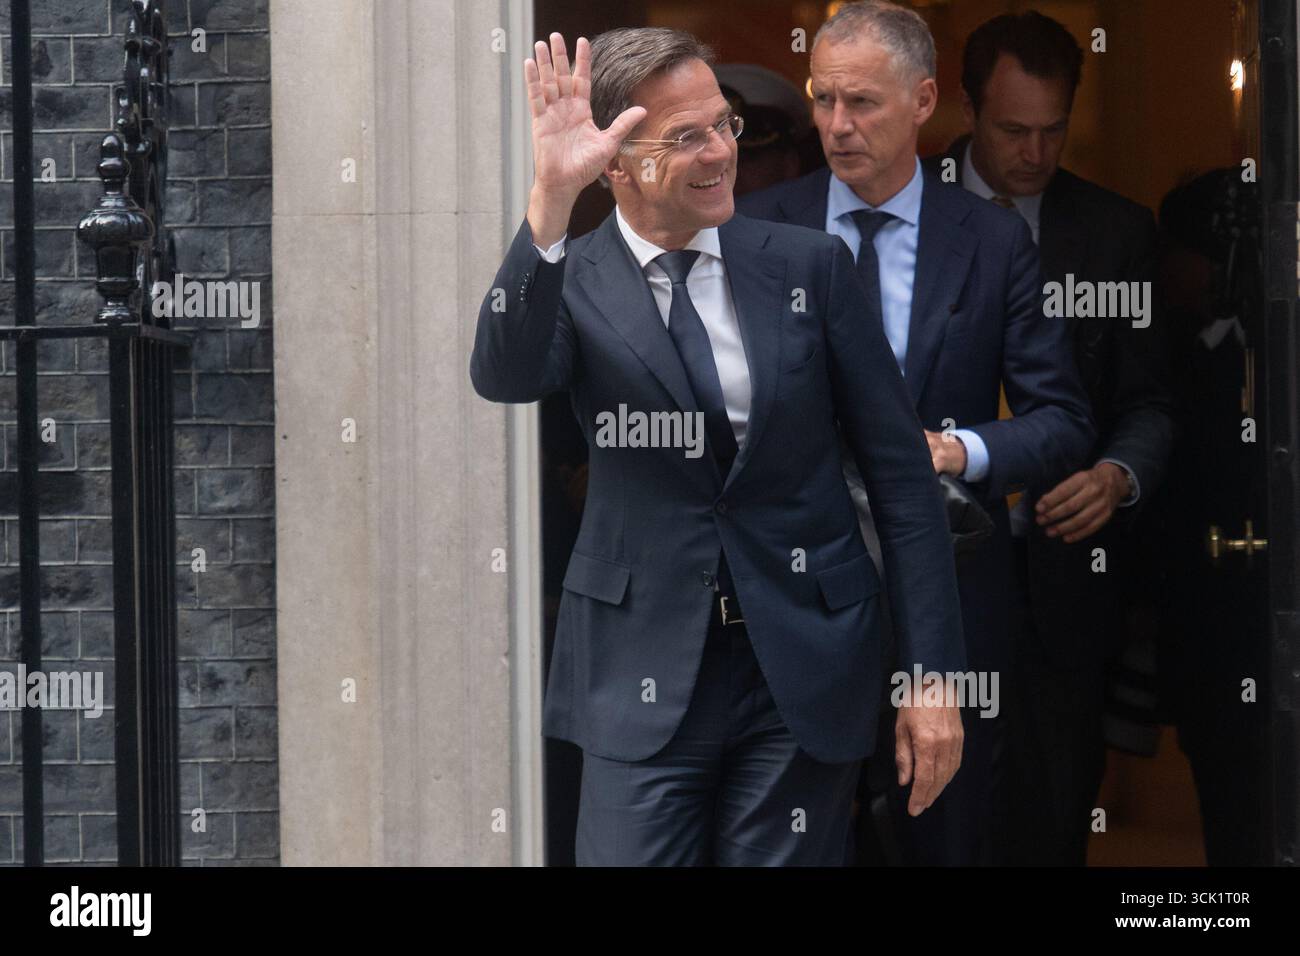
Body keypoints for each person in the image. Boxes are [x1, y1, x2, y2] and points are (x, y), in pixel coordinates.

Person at [470, 27, 965, 865]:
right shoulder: (576, 277)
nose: (720, 152)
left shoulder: (809, 266)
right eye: (686, 136)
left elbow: (900, 482)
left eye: (722, 125)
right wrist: (550, 200)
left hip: (803, 663)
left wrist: (932, 677)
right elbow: (506, 373)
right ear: (617, 162)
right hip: (640, 669)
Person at [739, 0, 1095, 866]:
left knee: (942, 844)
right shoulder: (758, 230)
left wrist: (953, 451)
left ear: (926, 100)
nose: (836, 124)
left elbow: (1062, 422)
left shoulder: (991, 239)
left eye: (862, 103)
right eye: (824, 100)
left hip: (950, 602)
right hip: (793, 604)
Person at [926, 10, 1177, 865]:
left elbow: (1152, 400)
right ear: (965, 110)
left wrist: (1116, 474)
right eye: (1012, 130)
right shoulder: (898, 208)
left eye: (1054, 130)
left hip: (1061, 586)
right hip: (927, 587)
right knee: (918, 827)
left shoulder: (1114, 233)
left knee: (1050, 825)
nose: (1035, 153)